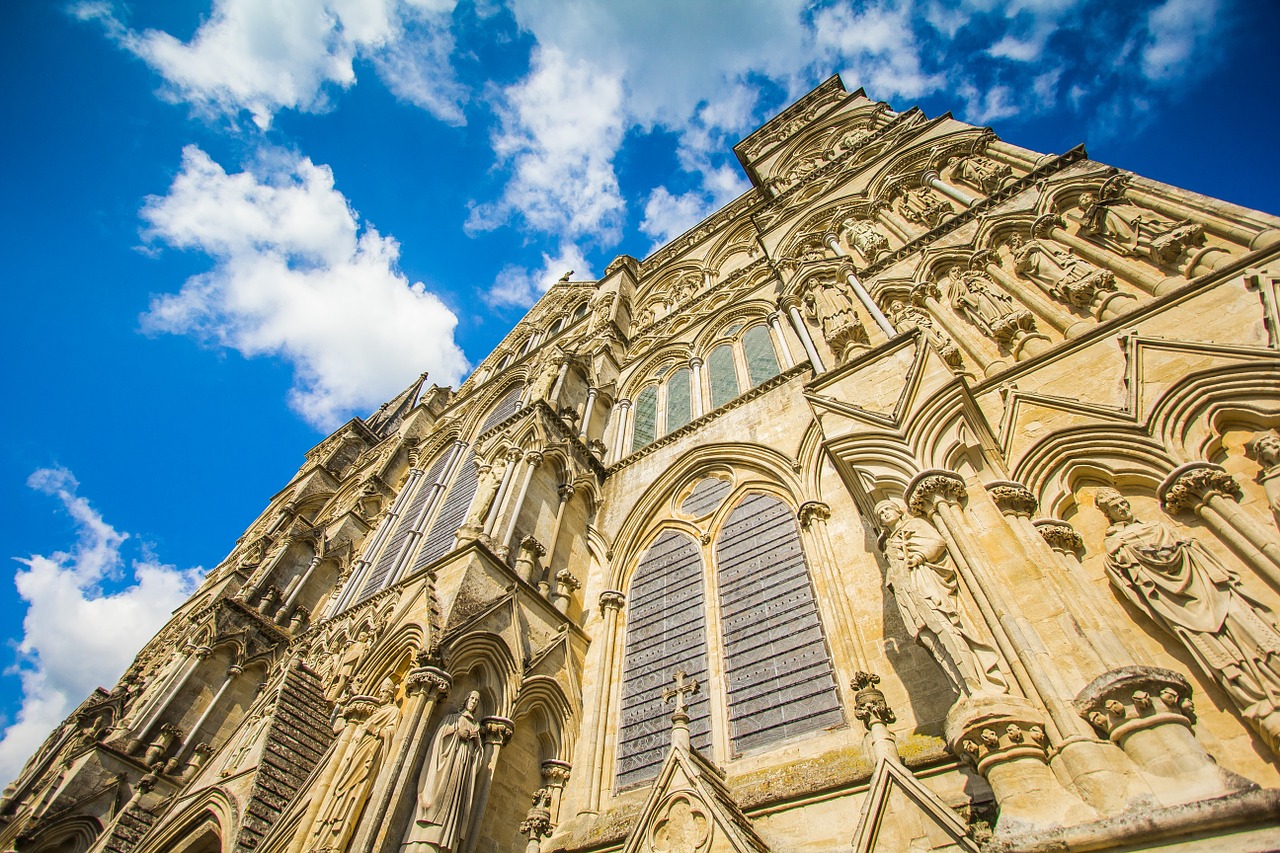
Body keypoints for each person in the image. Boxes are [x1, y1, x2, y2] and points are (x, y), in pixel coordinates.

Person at [1096, 488, 1280, 746]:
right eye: (1115, 505)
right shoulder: (1116, 543)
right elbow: (1125, 573)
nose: (1122, 507)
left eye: (1122, 501)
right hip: (1176, 602)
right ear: (1108, 513)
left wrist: (1183, 549)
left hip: (1206, 585)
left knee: (1249, 629)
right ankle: (1259, 701)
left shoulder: (1158, 526)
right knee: (1221, 651)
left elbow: (1189, 546)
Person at [875, 498, 1006, 696]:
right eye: (881, 514)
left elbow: (937, 542)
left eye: (887, 509)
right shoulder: (889, 542)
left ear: (899, 511)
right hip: (906, 594)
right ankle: (962, 689)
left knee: (946, 629)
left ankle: (977, 684)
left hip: (922, 582)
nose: (885, 514)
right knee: (928, 638)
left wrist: (919, 556)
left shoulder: (915, 524)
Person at [403, 691, 485, 853]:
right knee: (435, 800)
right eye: (472, 698)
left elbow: (479, 758)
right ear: (466, 699)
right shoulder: (453, 719)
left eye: (477, 700)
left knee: (453, 806)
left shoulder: (476, 726)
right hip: (447, 764)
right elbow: (439, 741)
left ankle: (447, 839)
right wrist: (457, 734)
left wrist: (475, 742)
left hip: (462, 768)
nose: (474, 702)